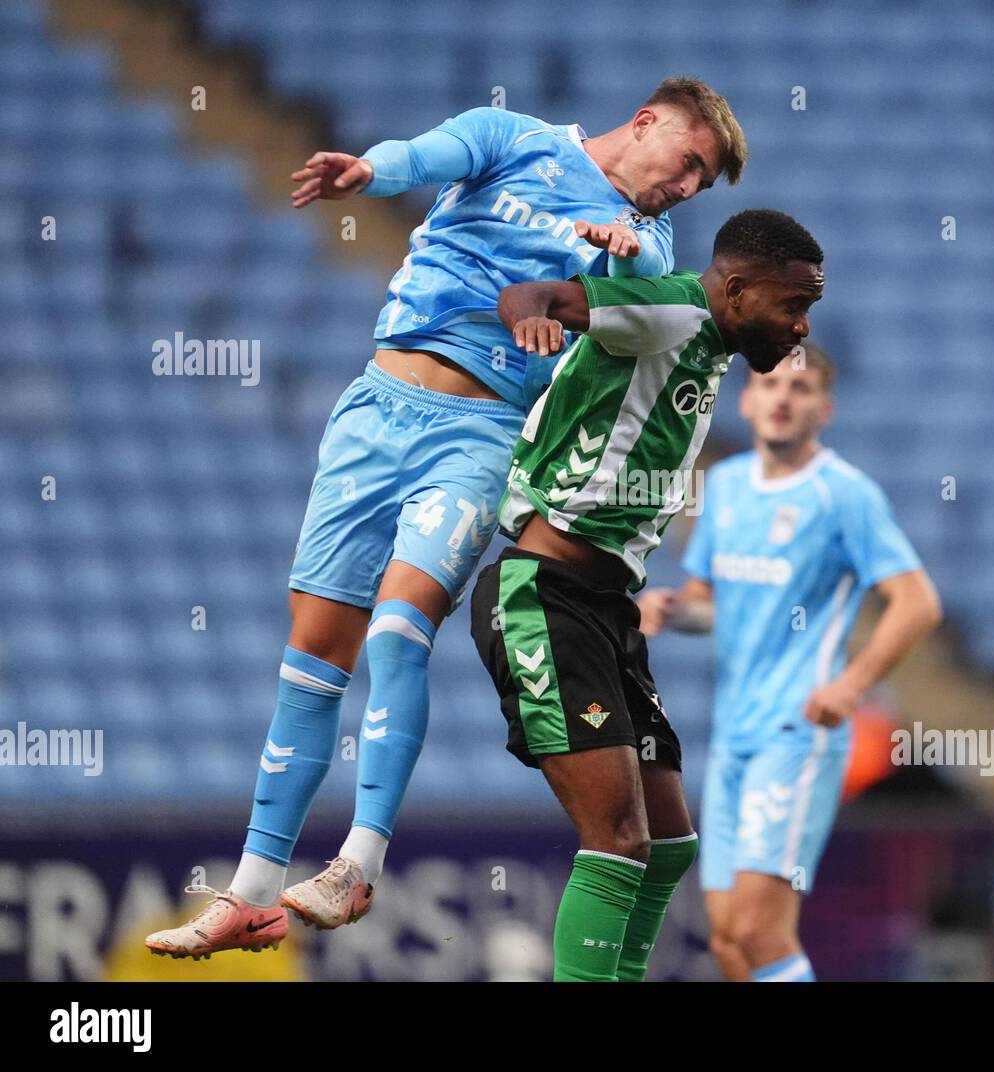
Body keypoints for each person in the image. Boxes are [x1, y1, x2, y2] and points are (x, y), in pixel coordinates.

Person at [146, 78, 747, 960]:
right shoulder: (514, 136)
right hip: (375, 406)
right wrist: (369, 171)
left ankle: (357, 862)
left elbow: (626, 320)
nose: (686, 188)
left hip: (482, 431)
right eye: (689, 163)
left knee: (399, 631)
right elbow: (426, 156)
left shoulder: (649, 243)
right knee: (311, 658)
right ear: (648, 122)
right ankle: (250, 891)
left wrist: (616, 263)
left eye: (703, 184)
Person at [470, 208, 824, 982]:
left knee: (669, 847)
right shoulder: (673, 312)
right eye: (793, 306)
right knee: (619, 840)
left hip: (607, 609)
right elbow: (534, 298)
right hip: (544, 594)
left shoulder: (711, 344)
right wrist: (533, 321)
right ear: (734, 289)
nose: (800, 328)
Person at [638, 342, 942, 981]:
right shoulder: (722, 487)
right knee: (726, 940)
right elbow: (712, 604)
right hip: (733, 737)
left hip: (797, 732)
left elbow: (917, 603)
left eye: (800, 390)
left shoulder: (843, 494)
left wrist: (853, 684)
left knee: (758, 929)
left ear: (823, 409)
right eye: (770, 384)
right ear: (746, 400)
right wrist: (672, 609)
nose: (782, 398)